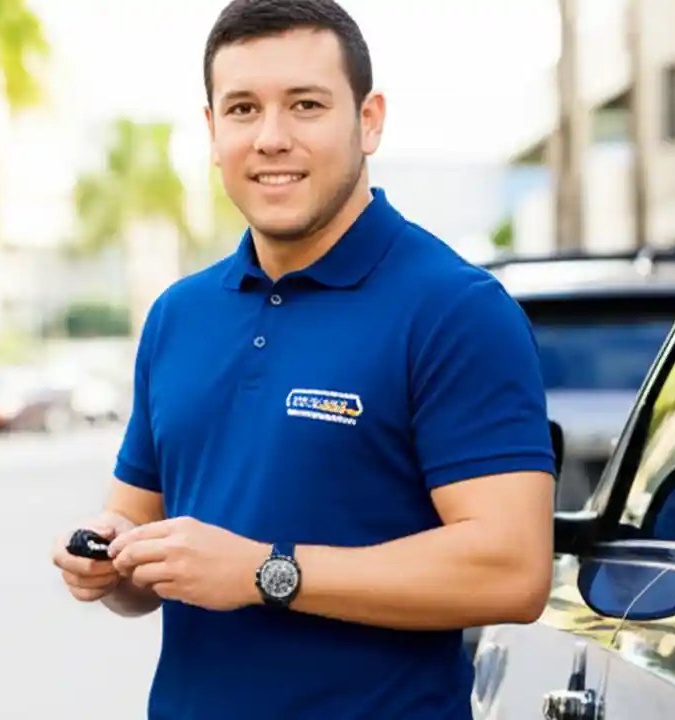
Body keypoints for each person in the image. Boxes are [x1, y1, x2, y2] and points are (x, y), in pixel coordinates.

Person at [50, 0, 556, 717]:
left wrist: (266, 572)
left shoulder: (455, 310)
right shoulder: (179, 316)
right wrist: (110, 563)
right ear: (213, 131)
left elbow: (512, 572)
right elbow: (142, 546)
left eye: (306, 105)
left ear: (369, 120)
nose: (272, 138)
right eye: (243, 110)